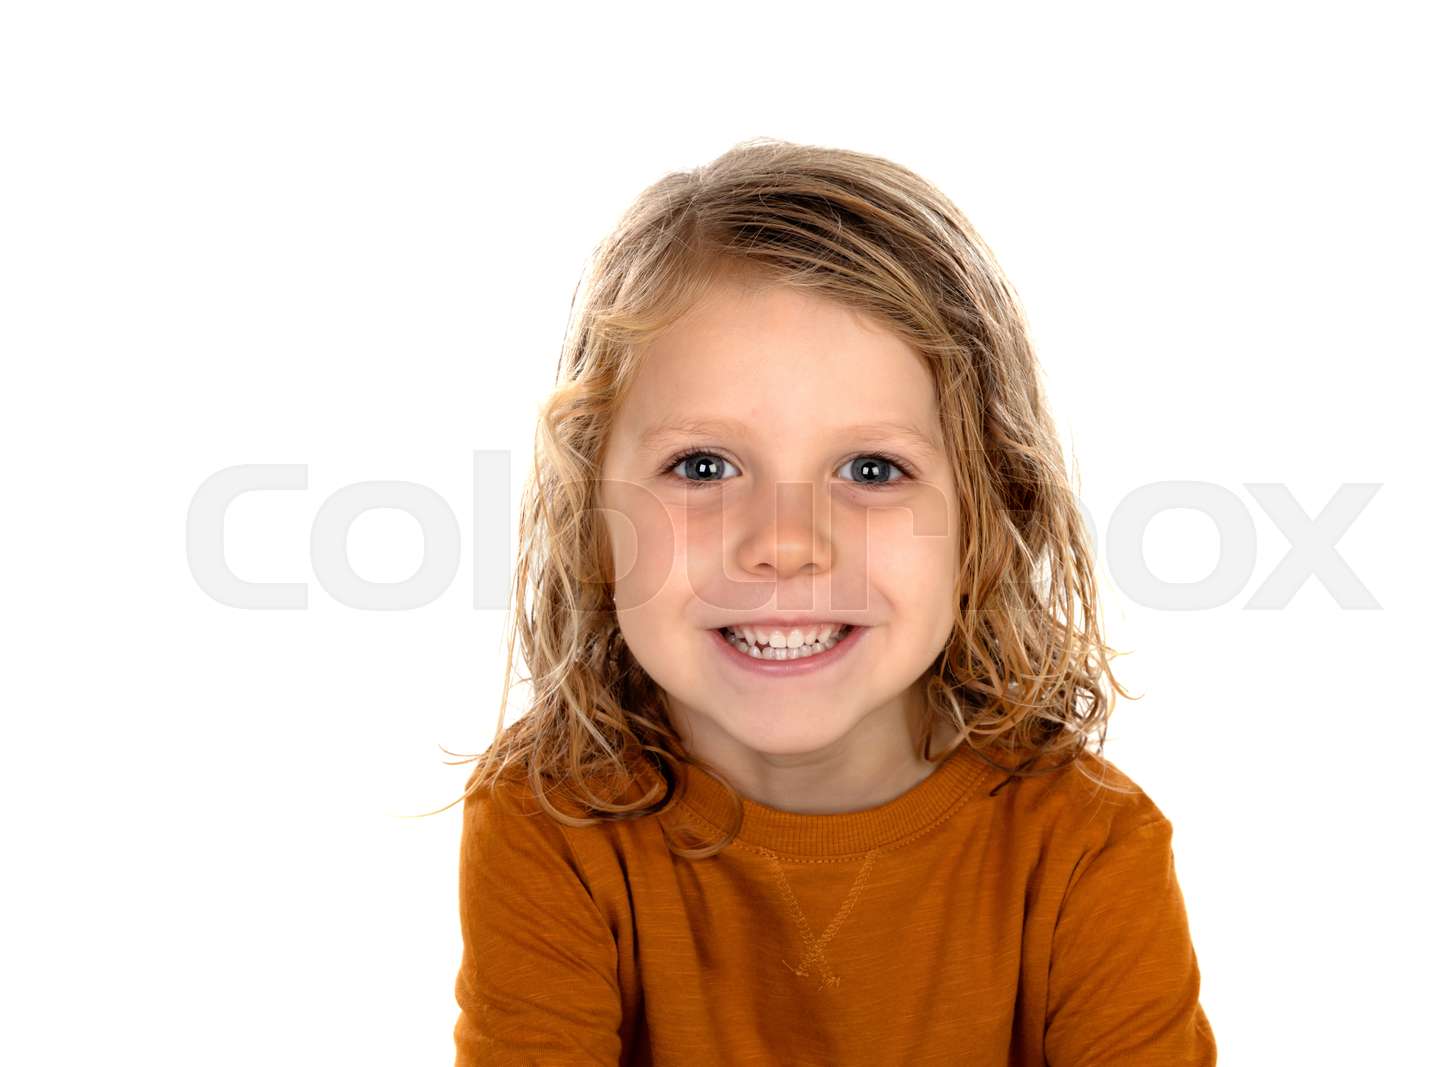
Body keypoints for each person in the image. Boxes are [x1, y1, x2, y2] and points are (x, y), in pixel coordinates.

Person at [445, 138, 1217, 1065]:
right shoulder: (554, 820)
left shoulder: (1087, 850)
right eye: (703, 465)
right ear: (591, 517)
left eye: (871, 468)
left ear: (987, 516)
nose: (784, 543)